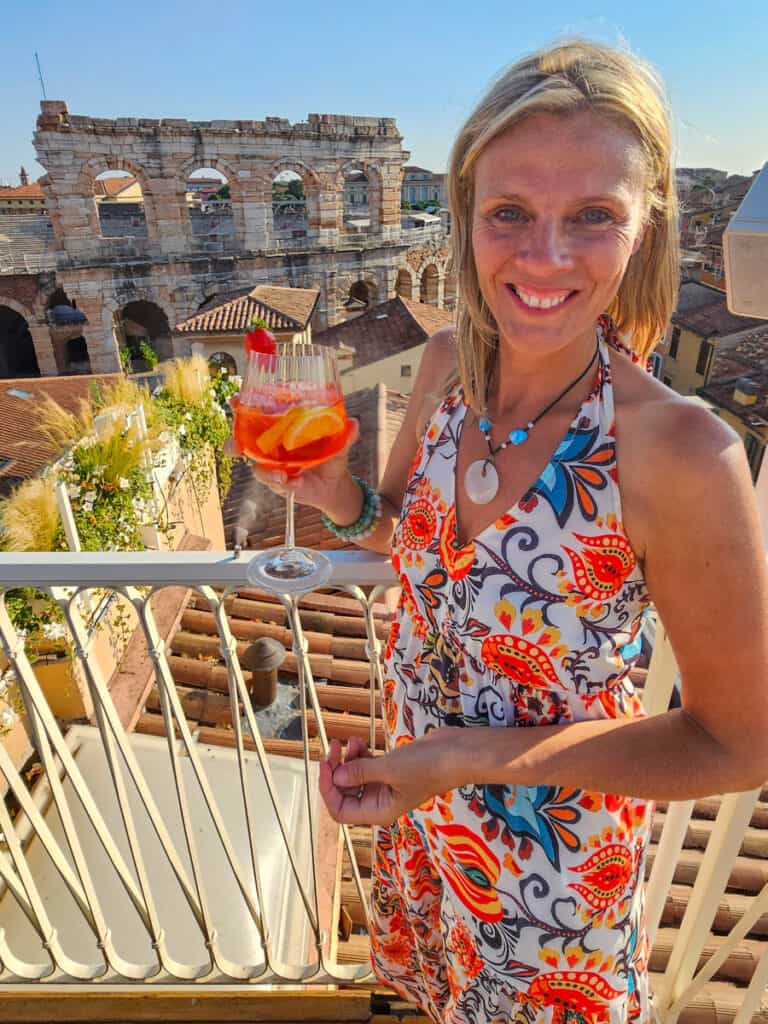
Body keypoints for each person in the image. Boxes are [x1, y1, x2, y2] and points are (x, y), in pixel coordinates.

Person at [228, 38, 768, 1024]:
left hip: (552, 879)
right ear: (466, 213)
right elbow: (404, 540)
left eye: (593, 216)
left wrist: (469, 757)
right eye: (510, 212)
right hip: (424, 811)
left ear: (645, 230)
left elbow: (738, 742)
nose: (545, 258)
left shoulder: (681, 453)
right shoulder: (441, 369)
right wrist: (332, 492)